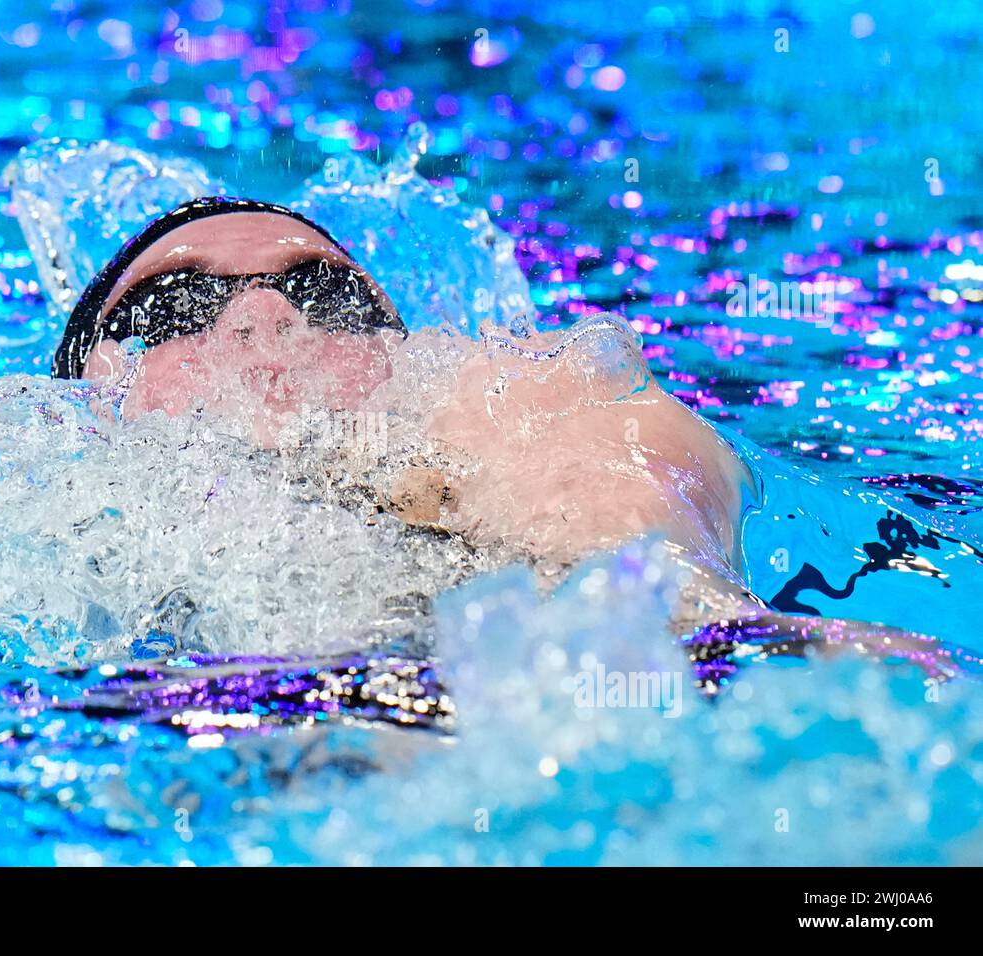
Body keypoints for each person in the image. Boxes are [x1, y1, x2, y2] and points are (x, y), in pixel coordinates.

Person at [54, 197, 956, 687]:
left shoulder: (536, 425)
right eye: (174, 307)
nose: (265, 315)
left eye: (329, 298)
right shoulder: (26, 517)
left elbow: (692, 624)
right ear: (85, 393)